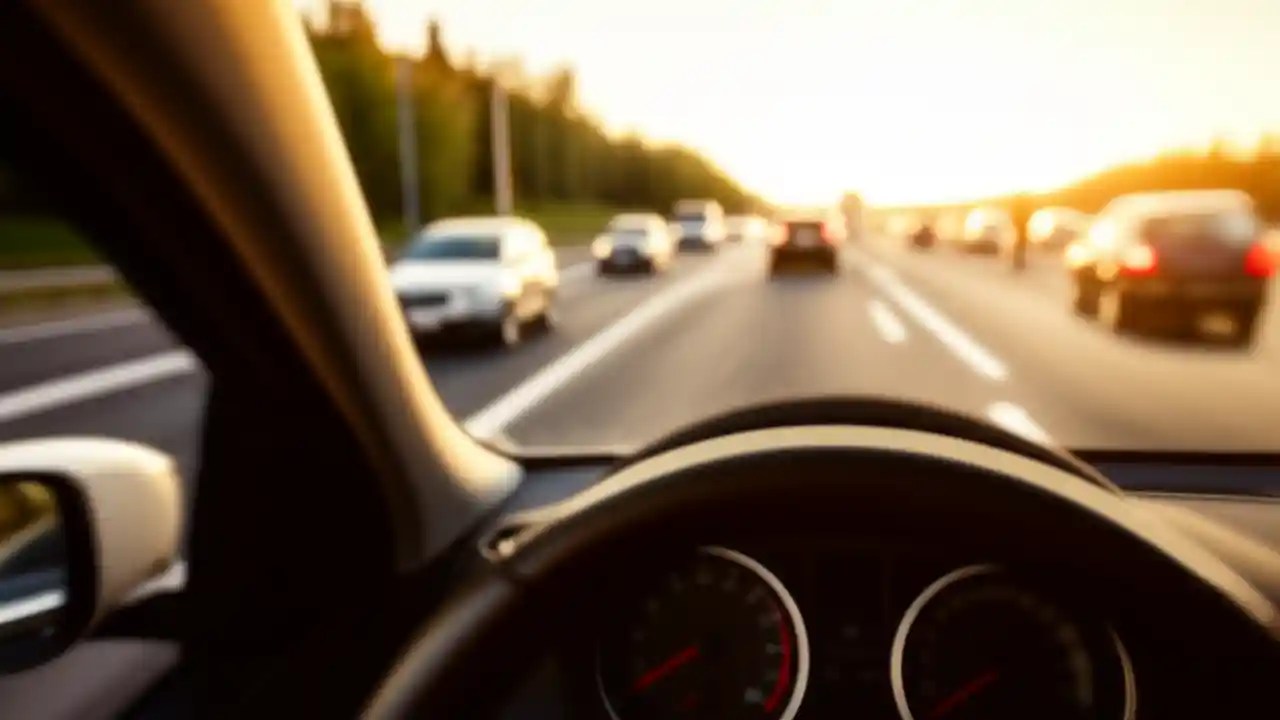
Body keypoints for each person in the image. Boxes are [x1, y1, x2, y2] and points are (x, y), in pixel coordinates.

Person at [1008, 194, 1033, 271]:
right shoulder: (1021, 209)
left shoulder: (1018, 209)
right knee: (1020, 244)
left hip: (1021, 227)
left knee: (1020, 244)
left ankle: (1019, 262)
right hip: (1021, 227)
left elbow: (1014, 218)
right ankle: (1019, 262)